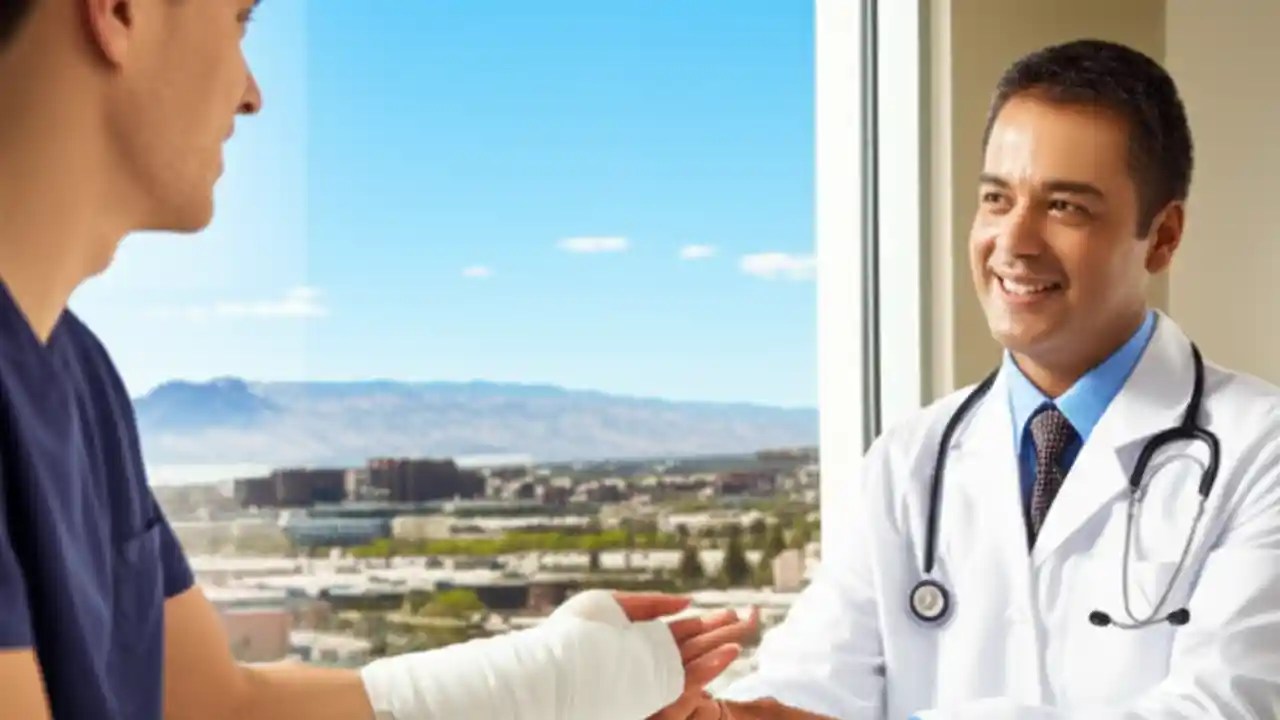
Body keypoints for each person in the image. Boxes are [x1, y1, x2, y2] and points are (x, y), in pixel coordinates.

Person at [0, 0, 757, 717]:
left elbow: (211, 706)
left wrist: (555, 678)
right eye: (238, 18)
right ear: (119, 9)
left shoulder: (76, 377)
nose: (251, 93)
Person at [660, 39, 1280, 719]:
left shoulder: (1260, 452)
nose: (1013, 242)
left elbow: (1227, 707)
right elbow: (813, 688)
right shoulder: (910, 459)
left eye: (1066, 207)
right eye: (996, 198)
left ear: (1162, 237)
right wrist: (713, 716)